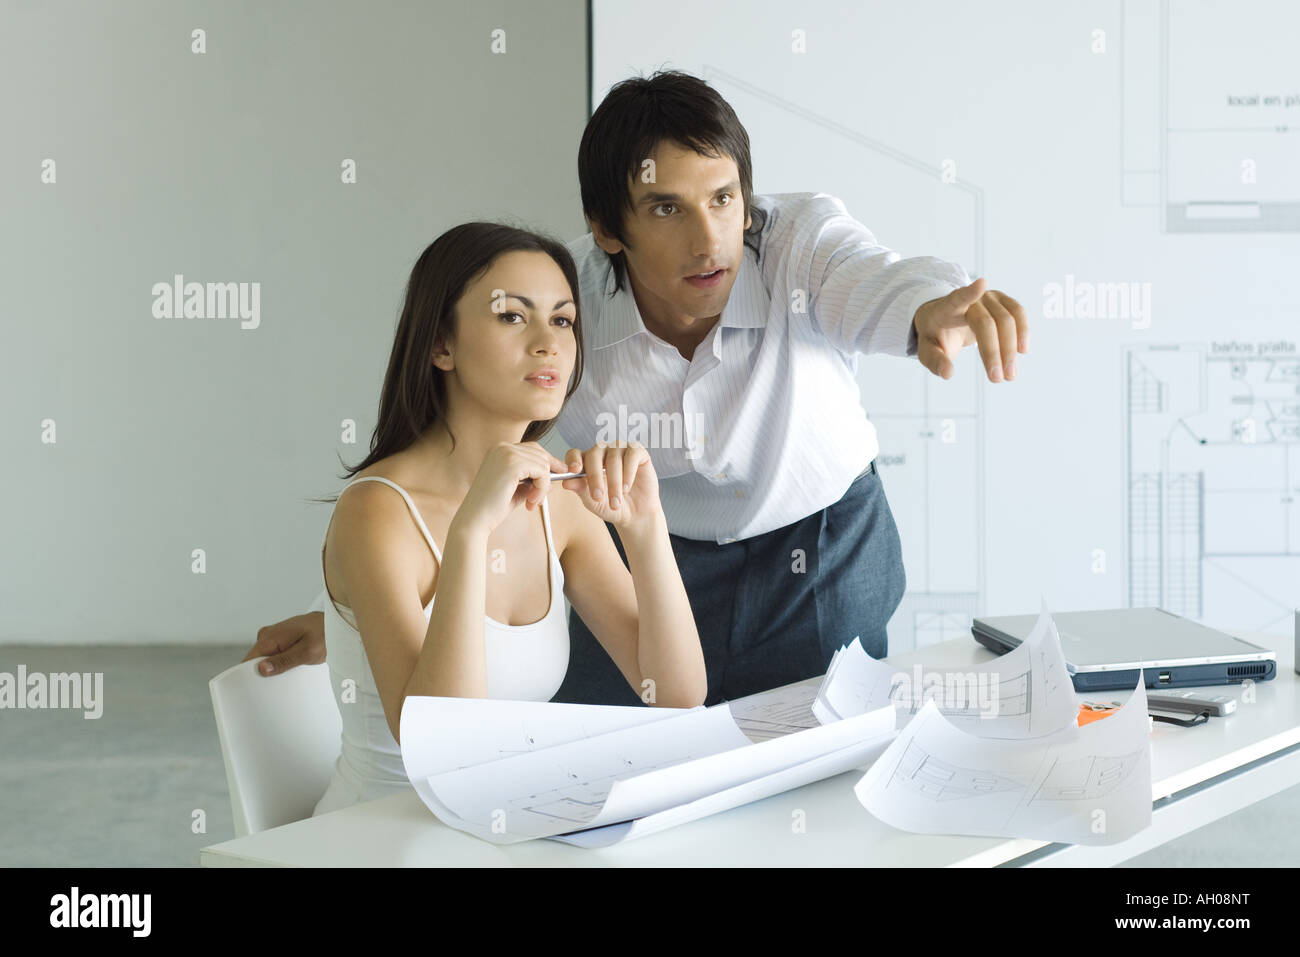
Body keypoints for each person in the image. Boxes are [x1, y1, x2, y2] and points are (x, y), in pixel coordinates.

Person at [245, 69, 1028, 708]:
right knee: (595, 745)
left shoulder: (797, 244)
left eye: (724, 199)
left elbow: (880, 279)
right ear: (607, 229)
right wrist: (370, 613)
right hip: (646, 549)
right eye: (667, 207)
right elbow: (485, 463)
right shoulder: (569, 312)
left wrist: (933, 307)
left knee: (819, 757)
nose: (709, 237)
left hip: (816, 546)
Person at [300, 222, 705, 815]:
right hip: (384, 840)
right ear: (442, 346)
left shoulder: (556, 501)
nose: (549, 344)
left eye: (563, 320)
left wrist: (643, 531)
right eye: (512, 316)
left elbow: (676, 695)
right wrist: (470, 533)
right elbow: (442, 752)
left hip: (505, 828)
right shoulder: (377, 511)